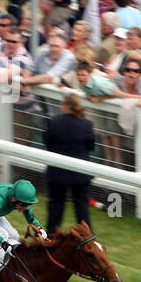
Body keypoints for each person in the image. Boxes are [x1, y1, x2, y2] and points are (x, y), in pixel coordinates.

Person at [44, 91, 95, 230]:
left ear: (65, 106)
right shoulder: (87, 124)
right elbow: (91, 146)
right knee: (82, 209)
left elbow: (48, 143)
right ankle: (87, 241)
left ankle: (51, 240)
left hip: (57, 172)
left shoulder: (54, 122)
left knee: (55, 208)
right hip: (80, 172)